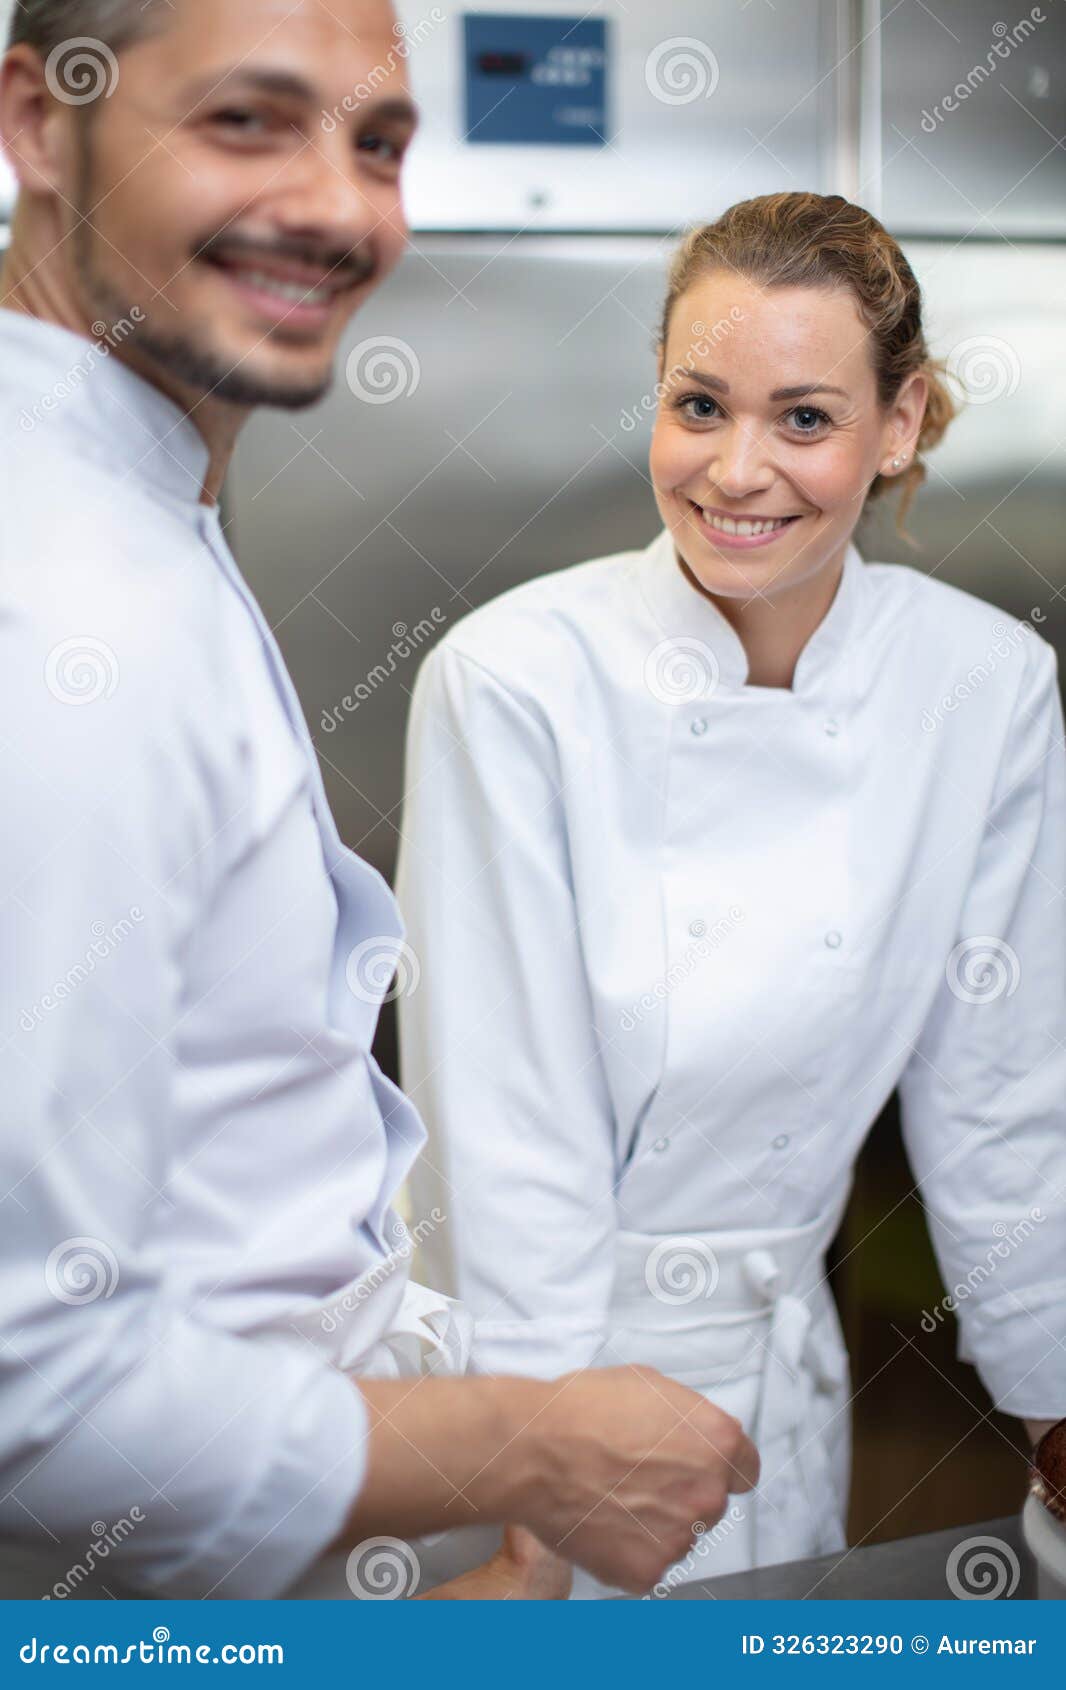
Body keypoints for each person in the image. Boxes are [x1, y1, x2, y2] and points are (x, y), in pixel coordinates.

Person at [0, 0, 760, 1602]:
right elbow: (28, 1375)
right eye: (246, 123)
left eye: (379, 144)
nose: (341, 210)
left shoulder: (134, 524)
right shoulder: (65, 610)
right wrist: (530, 1448)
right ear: (32, 121)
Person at [397, 191, 1066, 1597]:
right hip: (525, 1384)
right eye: (698, 405)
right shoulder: (515, 677)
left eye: (805, 418)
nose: (736, 470)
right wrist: (535, 1498)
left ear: (901, 422)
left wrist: (1053, 1403)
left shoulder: (982, 685)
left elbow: (998, 1086)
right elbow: (506, 1127)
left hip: (768, 1386)